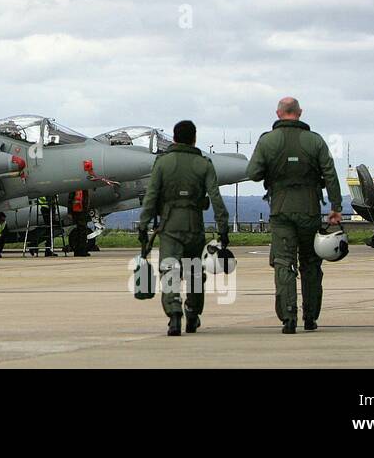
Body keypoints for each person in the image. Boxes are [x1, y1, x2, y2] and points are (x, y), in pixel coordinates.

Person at [246, 96, 342, 334]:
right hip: (309, 209)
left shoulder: (268, 141)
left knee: (284, 263)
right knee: (311, 263)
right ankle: (310, 317)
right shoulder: (314, 140)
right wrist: (336, 207)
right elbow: (330, 174)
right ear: (300, 112)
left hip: (281, 210)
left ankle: (288, 317)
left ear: (278, 113)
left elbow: (253, 173)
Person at [138, 120, 229, 336]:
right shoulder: (204, 164)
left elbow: (151, 197)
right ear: (194, 139)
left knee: (170, 269)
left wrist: (143, 225)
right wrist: (223, 228)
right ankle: (192, 312)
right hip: (195, 225)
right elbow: (216, 198)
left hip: (170, 226)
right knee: (195, 272)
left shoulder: (162, 163)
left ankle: (174, 313)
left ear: (175, 138)